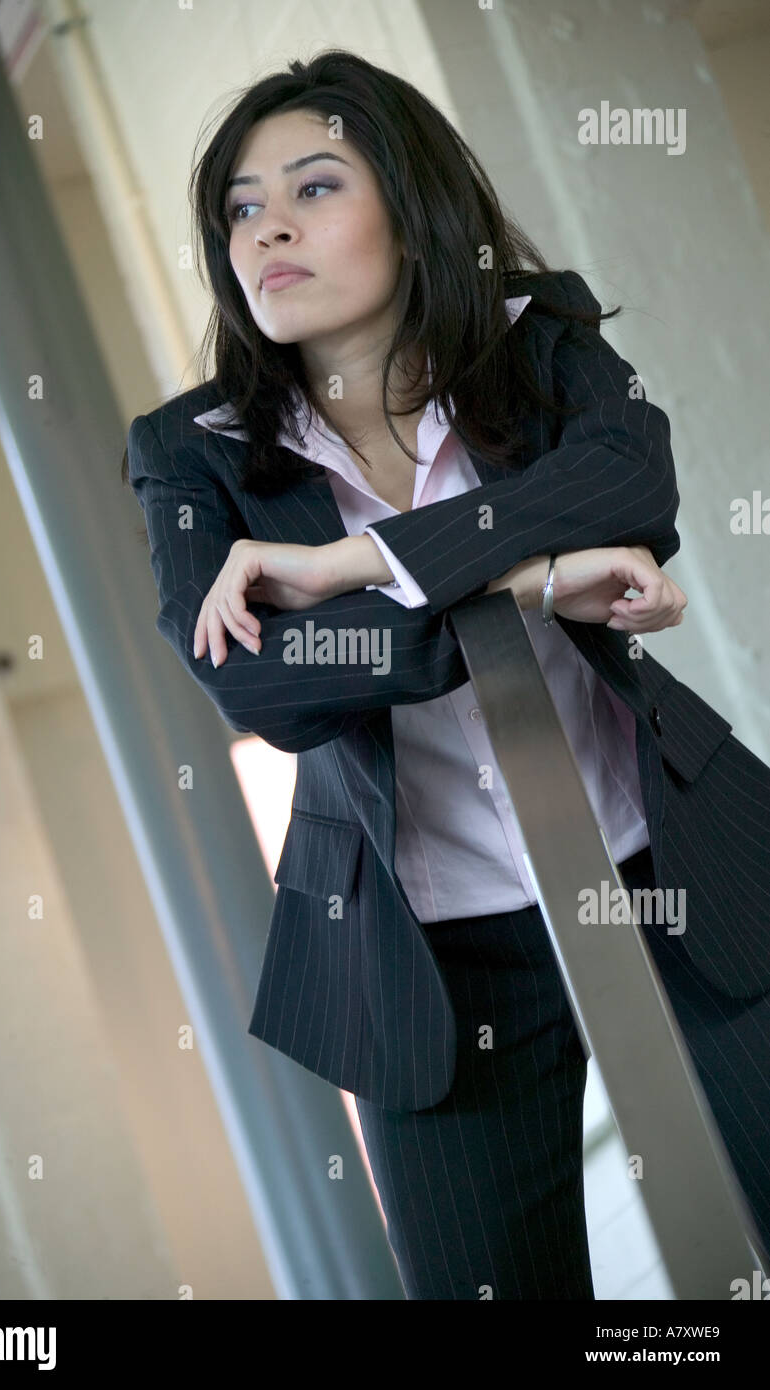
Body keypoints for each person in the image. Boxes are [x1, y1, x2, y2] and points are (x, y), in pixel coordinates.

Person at [124, 50, 770, 1299]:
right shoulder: (189, 452)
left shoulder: (541, 332)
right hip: (422, 958)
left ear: (411, 210)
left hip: (674, 860)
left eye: (313, 188)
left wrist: (355, 564)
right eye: (241, 208)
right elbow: (260, 683)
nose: (268, 229)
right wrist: (522, 578)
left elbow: (631, 482)